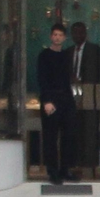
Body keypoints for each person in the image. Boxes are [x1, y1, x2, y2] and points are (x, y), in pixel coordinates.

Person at [68, 20, 100, 180]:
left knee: (90, 132)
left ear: (85, 34)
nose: (78, 35)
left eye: (80, 32)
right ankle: (75, 165)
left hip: (91, 95)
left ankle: (90, 167)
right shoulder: (68, 52)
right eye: (75, 32)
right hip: (72, 96)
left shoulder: (94, 50)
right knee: (75, 132)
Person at [33, 22, 76, 183]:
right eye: (55, 35)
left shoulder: (66, 56)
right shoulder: (44, 55)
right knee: (50, 137)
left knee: (68, 136)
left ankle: (65, 169)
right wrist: (46, 101)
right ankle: (52, 172)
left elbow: (68, 79)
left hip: (66, 99)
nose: (57, 38)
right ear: (51, 37)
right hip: (51, 99)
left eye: (60, 35)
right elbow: (42, 80)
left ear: (64, 38)